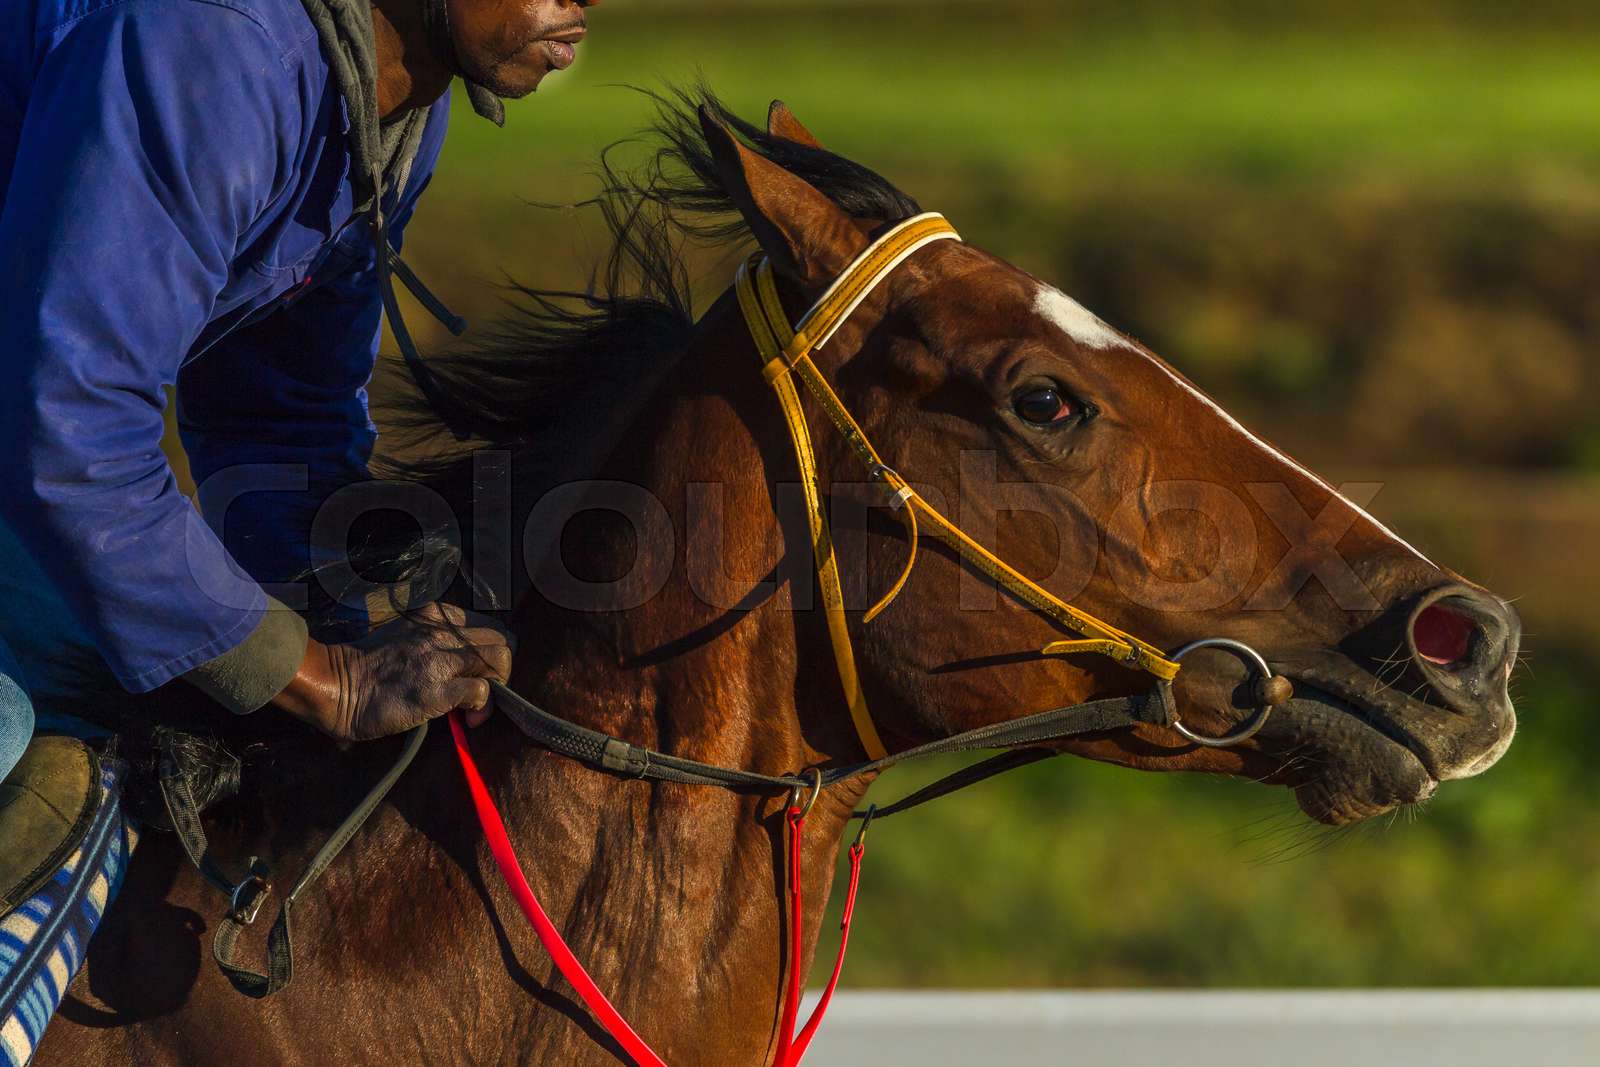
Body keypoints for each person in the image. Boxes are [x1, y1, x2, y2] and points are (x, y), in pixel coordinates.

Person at [0, 0, 599, 892]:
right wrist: (324, 681)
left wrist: (340, 626)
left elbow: (278, 410)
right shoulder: (213, 44)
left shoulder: (396, 105)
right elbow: (69, 436)